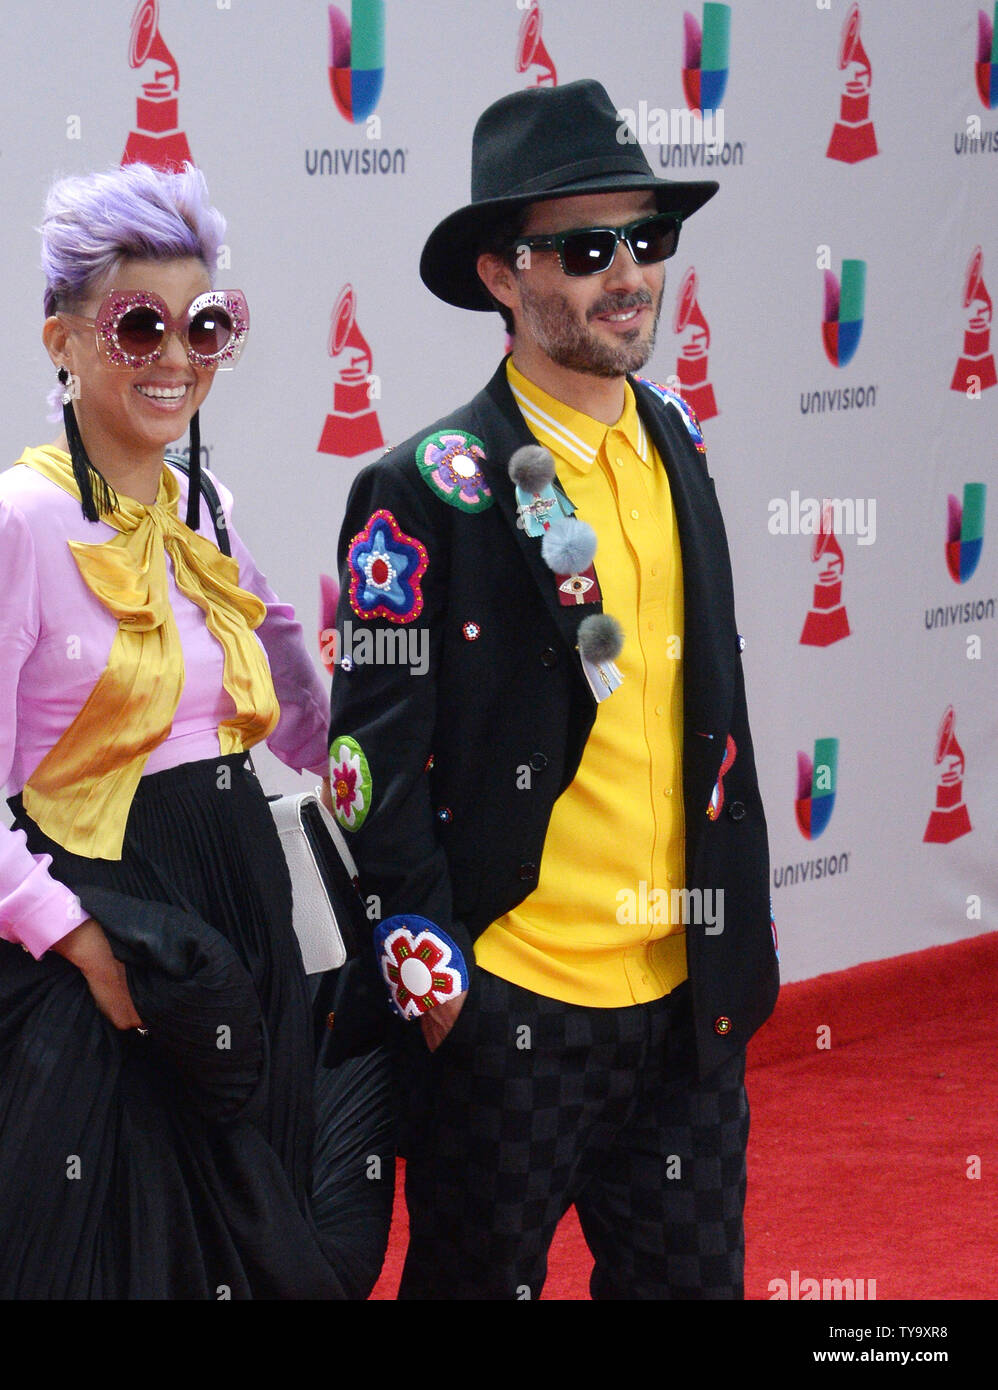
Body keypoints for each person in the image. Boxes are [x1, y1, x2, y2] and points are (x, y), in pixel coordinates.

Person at [0, 161, 390, 1299]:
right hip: (109, 949)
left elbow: (290, 683)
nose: (177, 355)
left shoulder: (198, 507)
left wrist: (388, 779)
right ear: (61, 341)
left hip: (243, 933)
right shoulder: (8, 528)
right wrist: (80, 941)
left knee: (257, 1252)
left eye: (206, 324)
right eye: (138, 325)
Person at [327, 80, 779, 1299]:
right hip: (509, 1012)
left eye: (647, 237)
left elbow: (711, 713)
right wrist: (441, 992)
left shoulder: (675, 438)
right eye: (585, 248)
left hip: (685, 1005)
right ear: (499, 276)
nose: (627, 273)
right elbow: (366, 765)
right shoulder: (428, 485)